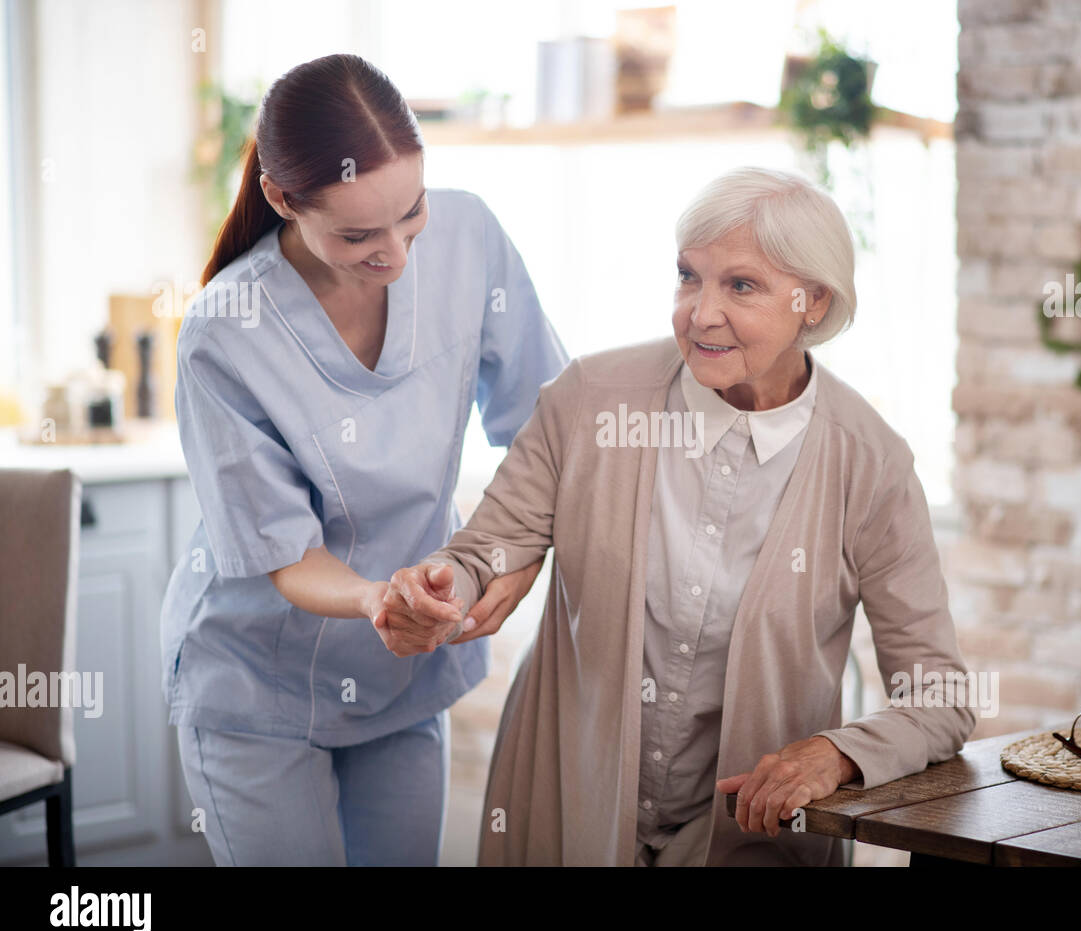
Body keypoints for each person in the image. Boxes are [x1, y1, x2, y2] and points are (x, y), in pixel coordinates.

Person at [381, 166, 977, 865]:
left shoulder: (870, 464)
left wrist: (839, 754)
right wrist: (441, 585)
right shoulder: (589, 400)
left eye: (741, 286)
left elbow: (938, 697)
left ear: (812, 300)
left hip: (752, 838)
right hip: (566, 807)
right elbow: (488, 551)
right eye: (688, 277)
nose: (700, 313)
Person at [158, 53, 567, 865]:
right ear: (281, 198)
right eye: (357, 234)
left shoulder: (472, 236)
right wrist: (383, 599)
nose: (397, 256)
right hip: (256, 686)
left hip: (399, 681)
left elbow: (545, 431)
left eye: (410, 213)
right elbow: (283, 556)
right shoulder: (223, 331)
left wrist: (504, 566)